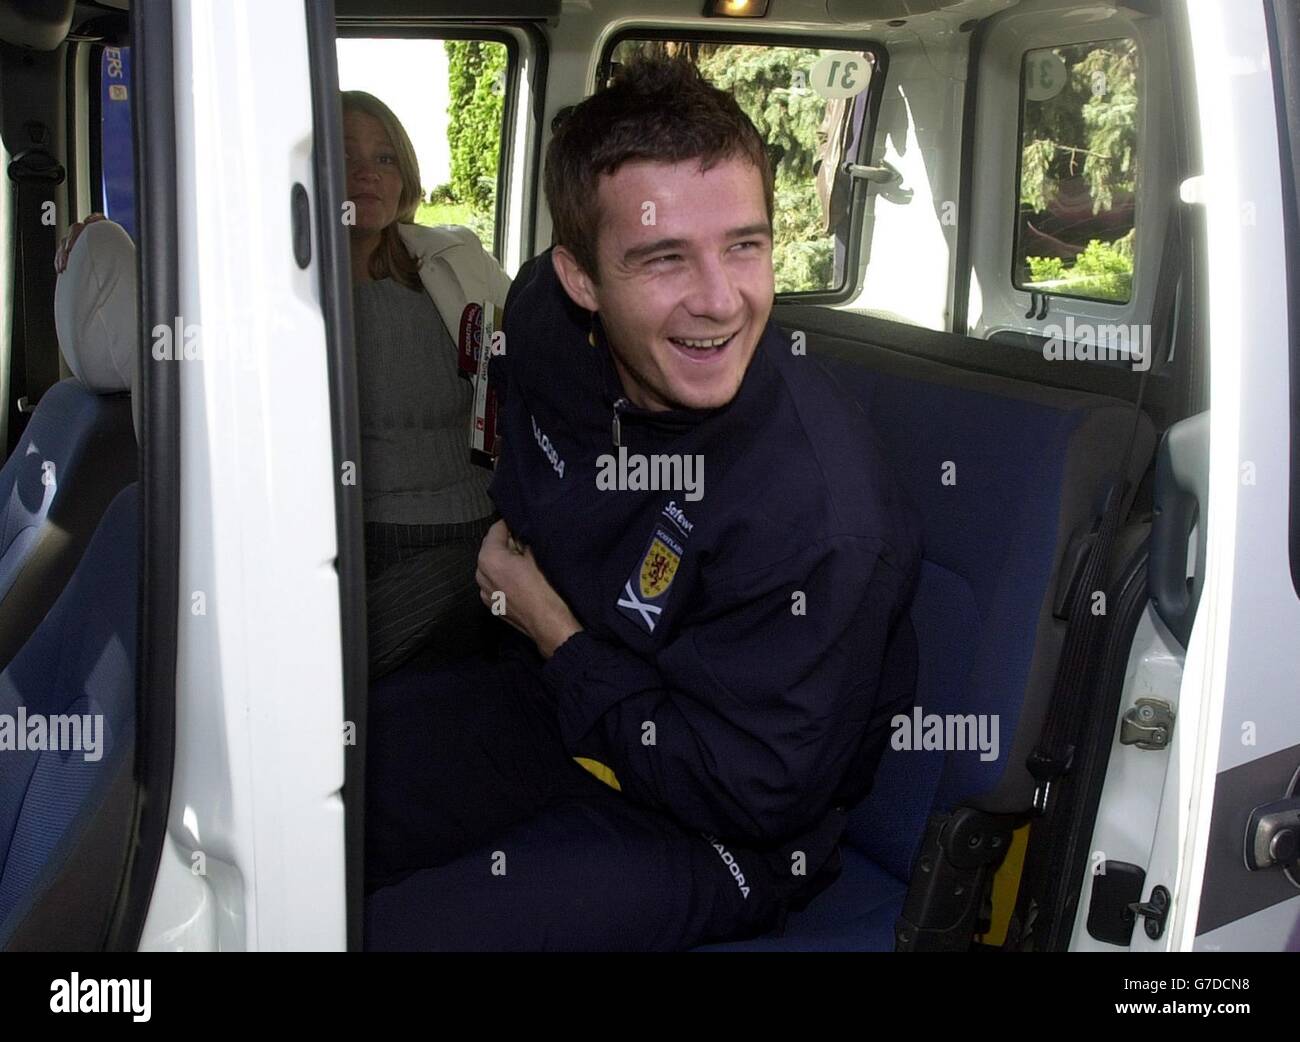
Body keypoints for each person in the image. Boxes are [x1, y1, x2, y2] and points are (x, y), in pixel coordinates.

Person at [363, 57, 921, 951]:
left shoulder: (814, 509)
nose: (718, 302)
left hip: (721, 826)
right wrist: (556, 640)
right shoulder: (544, 318)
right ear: (581, 279)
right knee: (318, 794)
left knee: (400, 936)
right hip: (560, 700)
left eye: (745, 244)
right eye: (663, 258)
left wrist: (555, 628)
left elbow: (754, 790)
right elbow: (526, 471)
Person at [342, 90, 512, 678]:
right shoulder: (281, 295)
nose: (366, 172)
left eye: (385, 158)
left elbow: (539, 343)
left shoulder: (453, 262)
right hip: (353, 539)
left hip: (478, 529)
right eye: (344, 156)